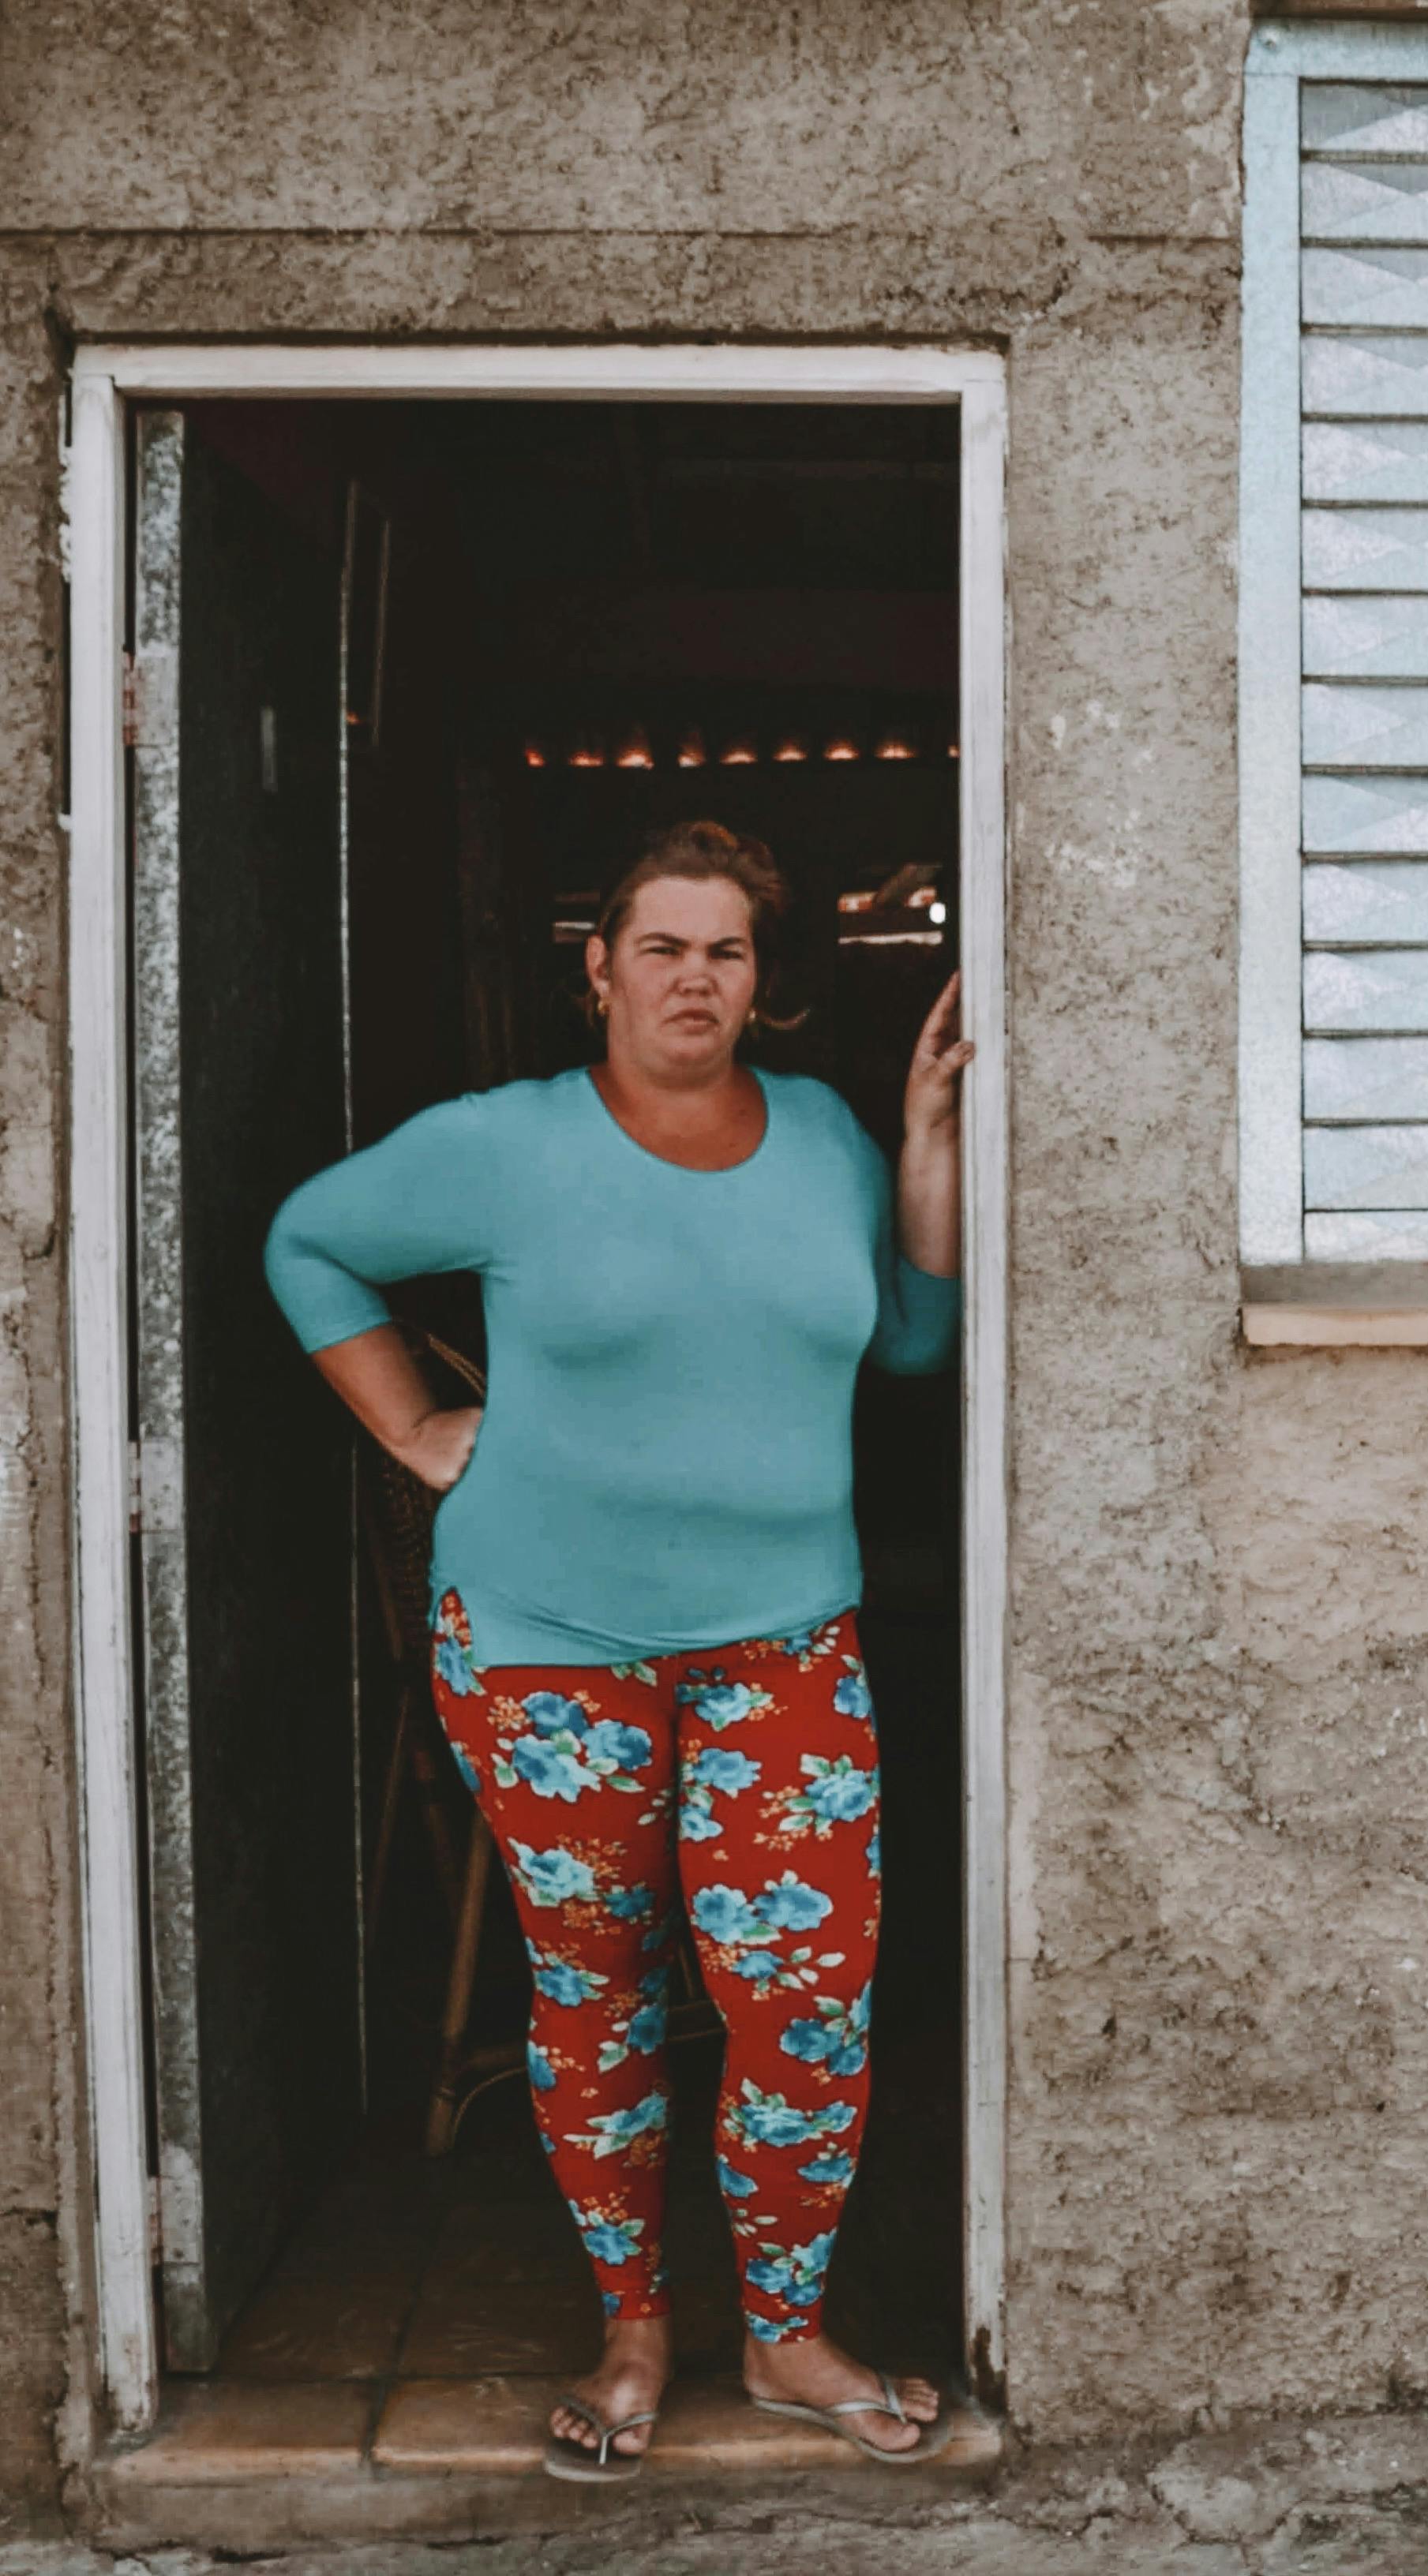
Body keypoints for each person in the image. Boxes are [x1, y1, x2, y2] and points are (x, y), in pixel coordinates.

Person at [264, 818, 969, 2479]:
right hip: (544, 1647)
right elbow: (307, 1239)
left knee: (803, 2006)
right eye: (660, 946)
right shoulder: (502, 1145)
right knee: (596, 1999)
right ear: (597, 968)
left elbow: (919, 1342)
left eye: (724, 950)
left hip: (780, 1644)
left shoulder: (821, 1137)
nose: (692, 979)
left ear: (760, 982)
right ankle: (636, 2330)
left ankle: (787, 2339)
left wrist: (927, 1137)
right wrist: (421, 1422)